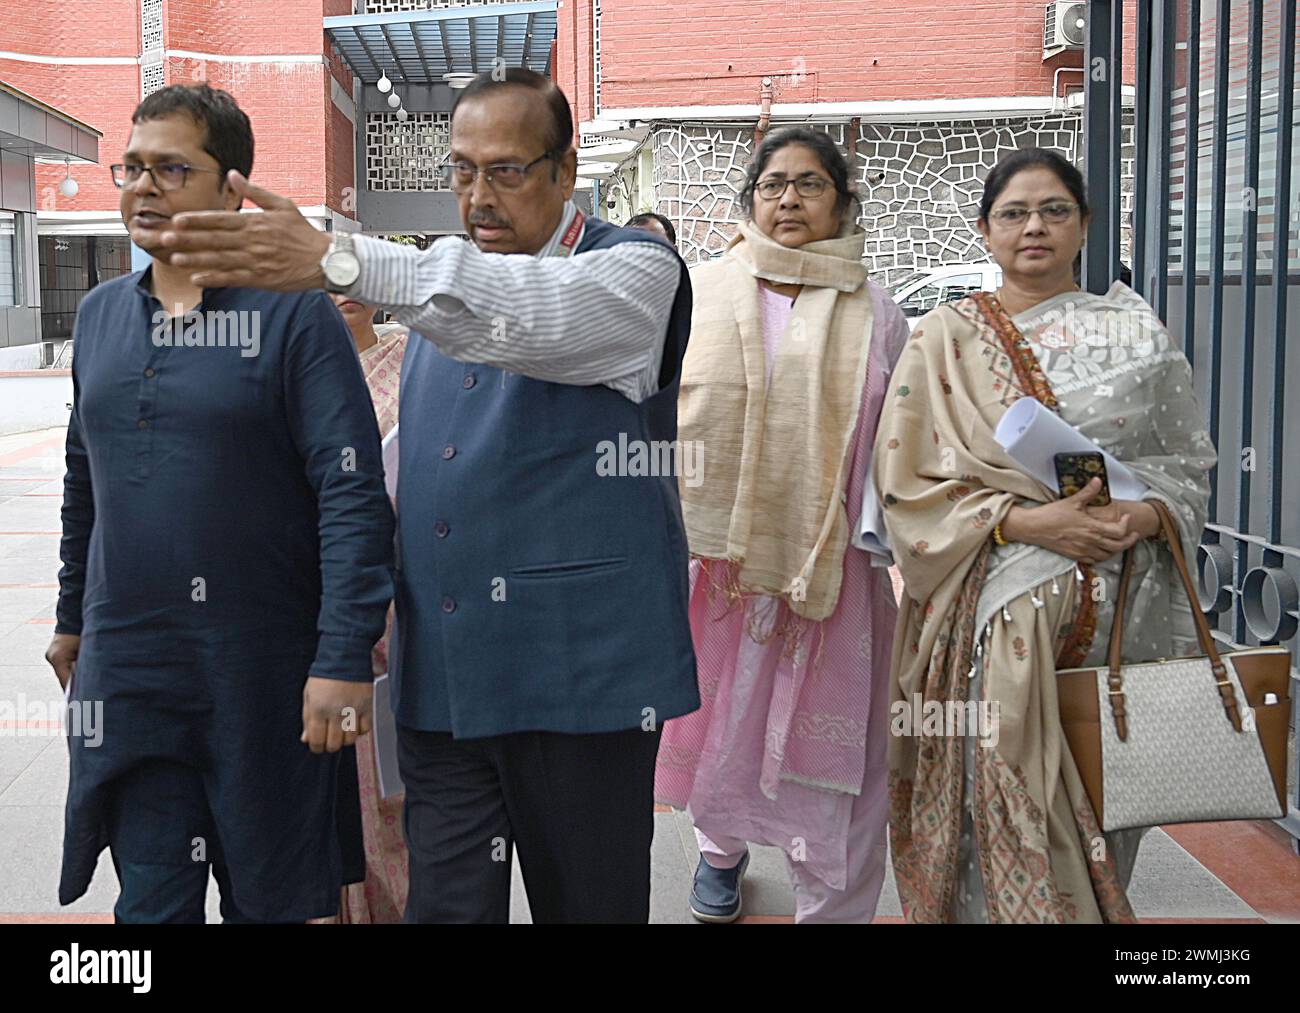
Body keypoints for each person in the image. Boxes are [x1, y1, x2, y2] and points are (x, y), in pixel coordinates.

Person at [157, 68, 698, 924]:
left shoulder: (633, 275)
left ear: (565, 174)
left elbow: (536, 314)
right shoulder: (434, 321)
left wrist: (342, 257)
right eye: (461, 169)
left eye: (507, 170)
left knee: (589, 904)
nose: (478, 195)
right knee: (443, 907)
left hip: (584, 685)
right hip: (444, 687)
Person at [44, 84, 394, 923]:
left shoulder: (295, 317)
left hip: (265, 682)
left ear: (232, 188)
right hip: (135, 679)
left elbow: (350, 492)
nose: (142, 185)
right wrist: (70, 618)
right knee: (151, 904)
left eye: (171, 167)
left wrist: (342, 657)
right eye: (131, 167)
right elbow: (83, 476)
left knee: (269, 902)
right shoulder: (99, 318)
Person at [874, 147, 1215, 923]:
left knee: (1101, 792)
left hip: (1117, 624)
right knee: (986, 795)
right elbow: (904, 481)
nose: (1035, 227)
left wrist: (1150, 511)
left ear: (1085, 225)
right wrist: (1023, 521)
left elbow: (1186, 463)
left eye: (1055, 210)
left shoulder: (1135, 333)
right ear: (986, 231)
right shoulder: (944, 340)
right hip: (986, 625)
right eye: (1014, 213)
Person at [654, 127, 909, 923]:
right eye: (773, 184)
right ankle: (719, 856)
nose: (790, 198)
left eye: (810, 184)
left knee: (835, 765)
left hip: (831, 577)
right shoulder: (699, 294)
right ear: (750, 201)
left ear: (841, 202)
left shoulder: (879, 315)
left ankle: (829, 906)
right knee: (719, 732)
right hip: (720, 572)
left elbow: (900, 444)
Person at [322, 293, 410, 923]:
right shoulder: (295, 367)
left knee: (394, 788)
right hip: (319, 615)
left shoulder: (413, 358)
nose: (338, 285)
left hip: (403, 609)